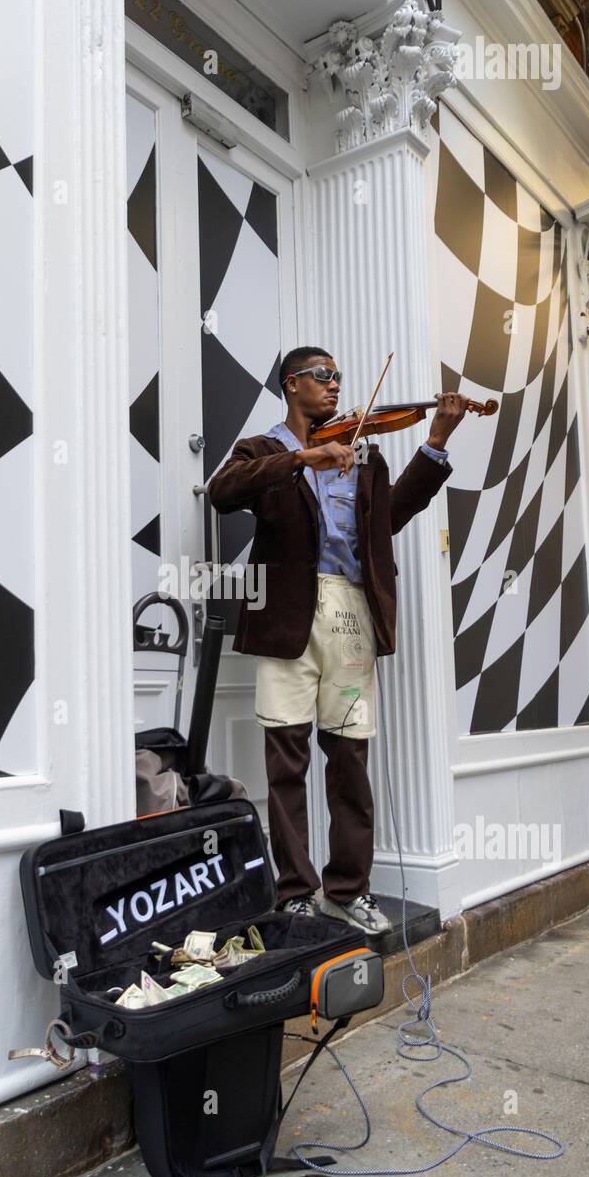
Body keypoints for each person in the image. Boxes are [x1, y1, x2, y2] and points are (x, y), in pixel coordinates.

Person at [208, 347, 467, 934]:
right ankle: (296, 891)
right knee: (287, 759)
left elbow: (392, 515)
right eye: (321, 377)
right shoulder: (267, 450)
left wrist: (437, 441)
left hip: (350, 613)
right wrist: (304, 459)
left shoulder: (360, 453)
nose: (333, 386)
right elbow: (224, 491)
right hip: (286, 618)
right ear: (291, 384)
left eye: (337, 378)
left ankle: (347, 890)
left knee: (350, 758)